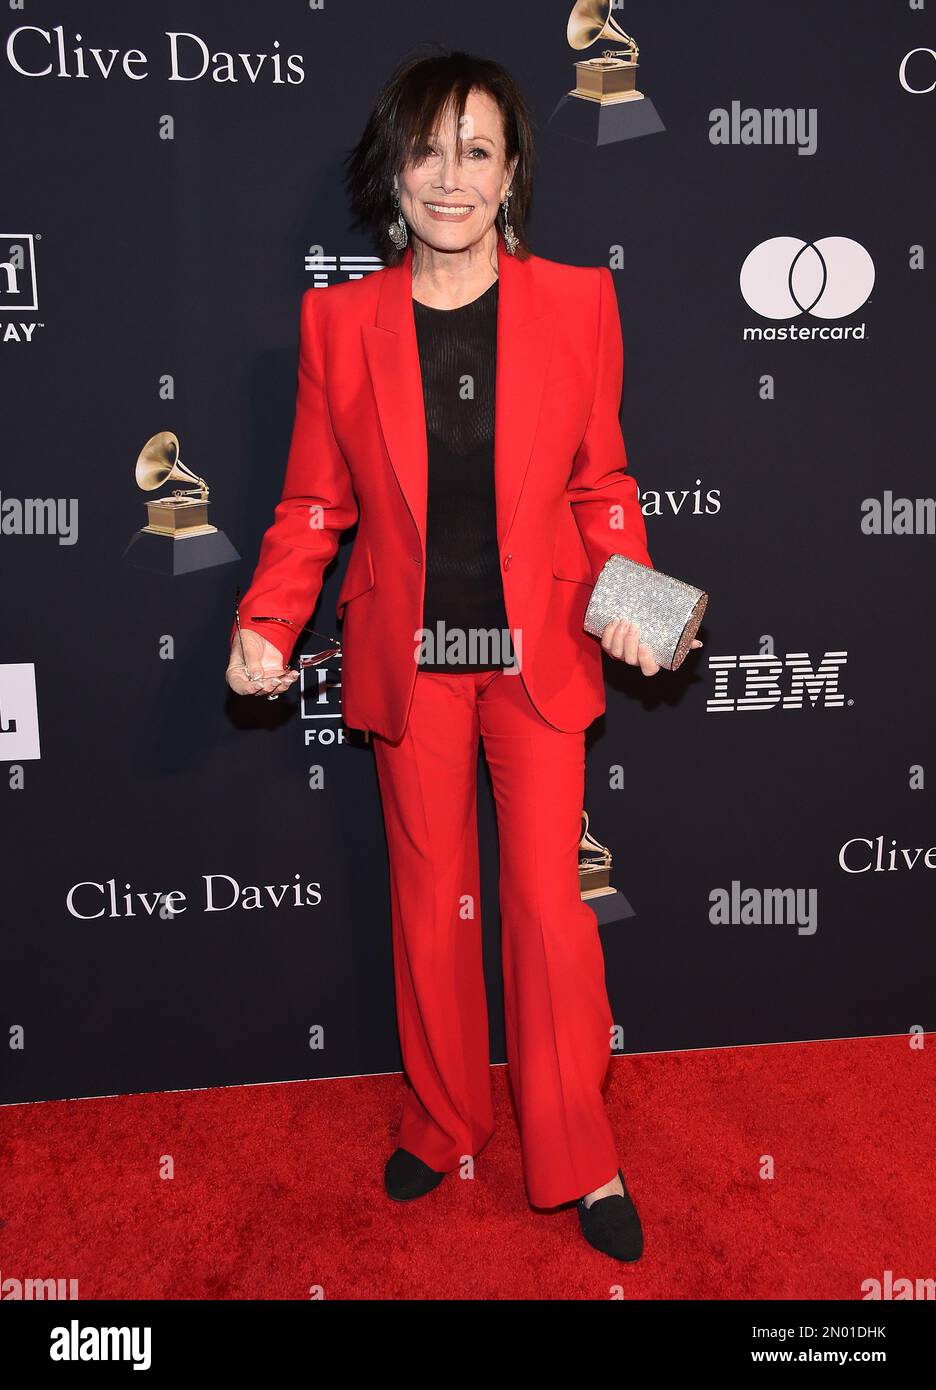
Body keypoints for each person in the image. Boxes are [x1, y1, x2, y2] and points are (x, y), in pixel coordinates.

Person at [226, 50, 700, 1262]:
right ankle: (443, 1122)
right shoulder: (339, 320)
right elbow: (314, 505)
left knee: (547, 909)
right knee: (431, 908)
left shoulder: (578, 302)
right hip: (413, 658)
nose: (449, 177)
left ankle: (578, 1152)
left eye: (475, 150)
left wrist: (637, 604)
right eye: (427, 150)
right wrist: (269, 621)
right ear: (395, 170)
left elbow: (601, 483)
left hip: (537, 654)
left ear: (511, 173)